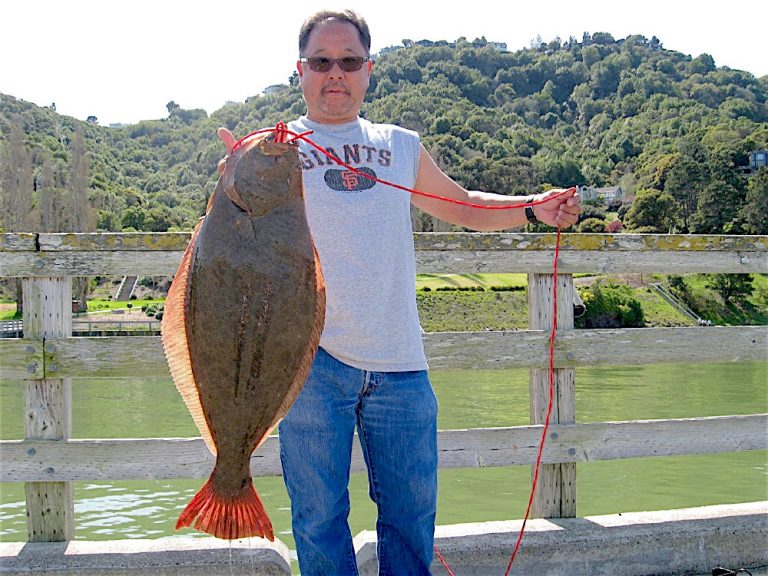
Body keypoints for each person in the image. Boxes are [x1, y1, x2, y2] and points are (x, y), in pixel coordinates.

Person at [217, 9, 582, 575]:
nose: (334, 73)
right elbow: (229, 251)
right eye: (321, 62)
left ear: (369, 71)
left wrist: (532, 206)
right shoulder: (270, 150)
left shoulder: (400, 146)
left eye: (348, 61)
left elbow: (462, 205)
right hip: (307, 366)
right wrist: (231, 174)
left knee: (411, 521)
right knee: (317, 520)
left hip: (401, 365)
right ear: (300, 71)